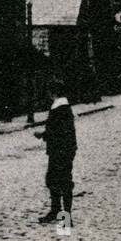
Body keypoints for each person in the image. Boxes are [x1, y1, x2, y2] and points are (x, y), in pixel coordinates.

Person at [34, 79, 76, 224]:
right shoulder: (61, 107)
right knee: (53, 180)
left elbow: (59, 132)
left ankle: (65, 218)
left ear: (52, 93)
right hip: (61, 150)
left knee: (63, 182)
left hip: (61, 151)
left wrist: (43, 134)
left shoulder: (60, 108)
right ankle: (56, 211)